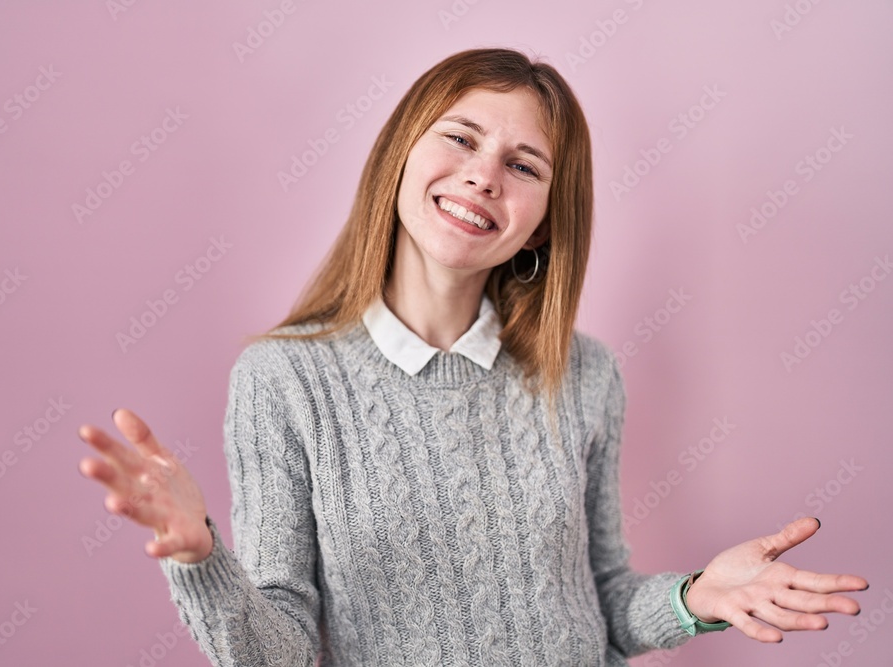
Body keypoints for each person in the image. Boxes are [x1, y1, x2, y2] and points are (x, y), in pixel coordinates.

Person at [77, 48, 868, 666]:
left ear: (546, 222)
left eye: (524, 165)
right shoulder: (283, 379)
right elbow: (279, 651)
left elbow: (603, 600)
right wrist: (202, 558)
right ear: (400, 157)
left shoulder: (585, 374)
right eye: (460, 138)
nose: (483, 176)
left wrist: (698, 595)